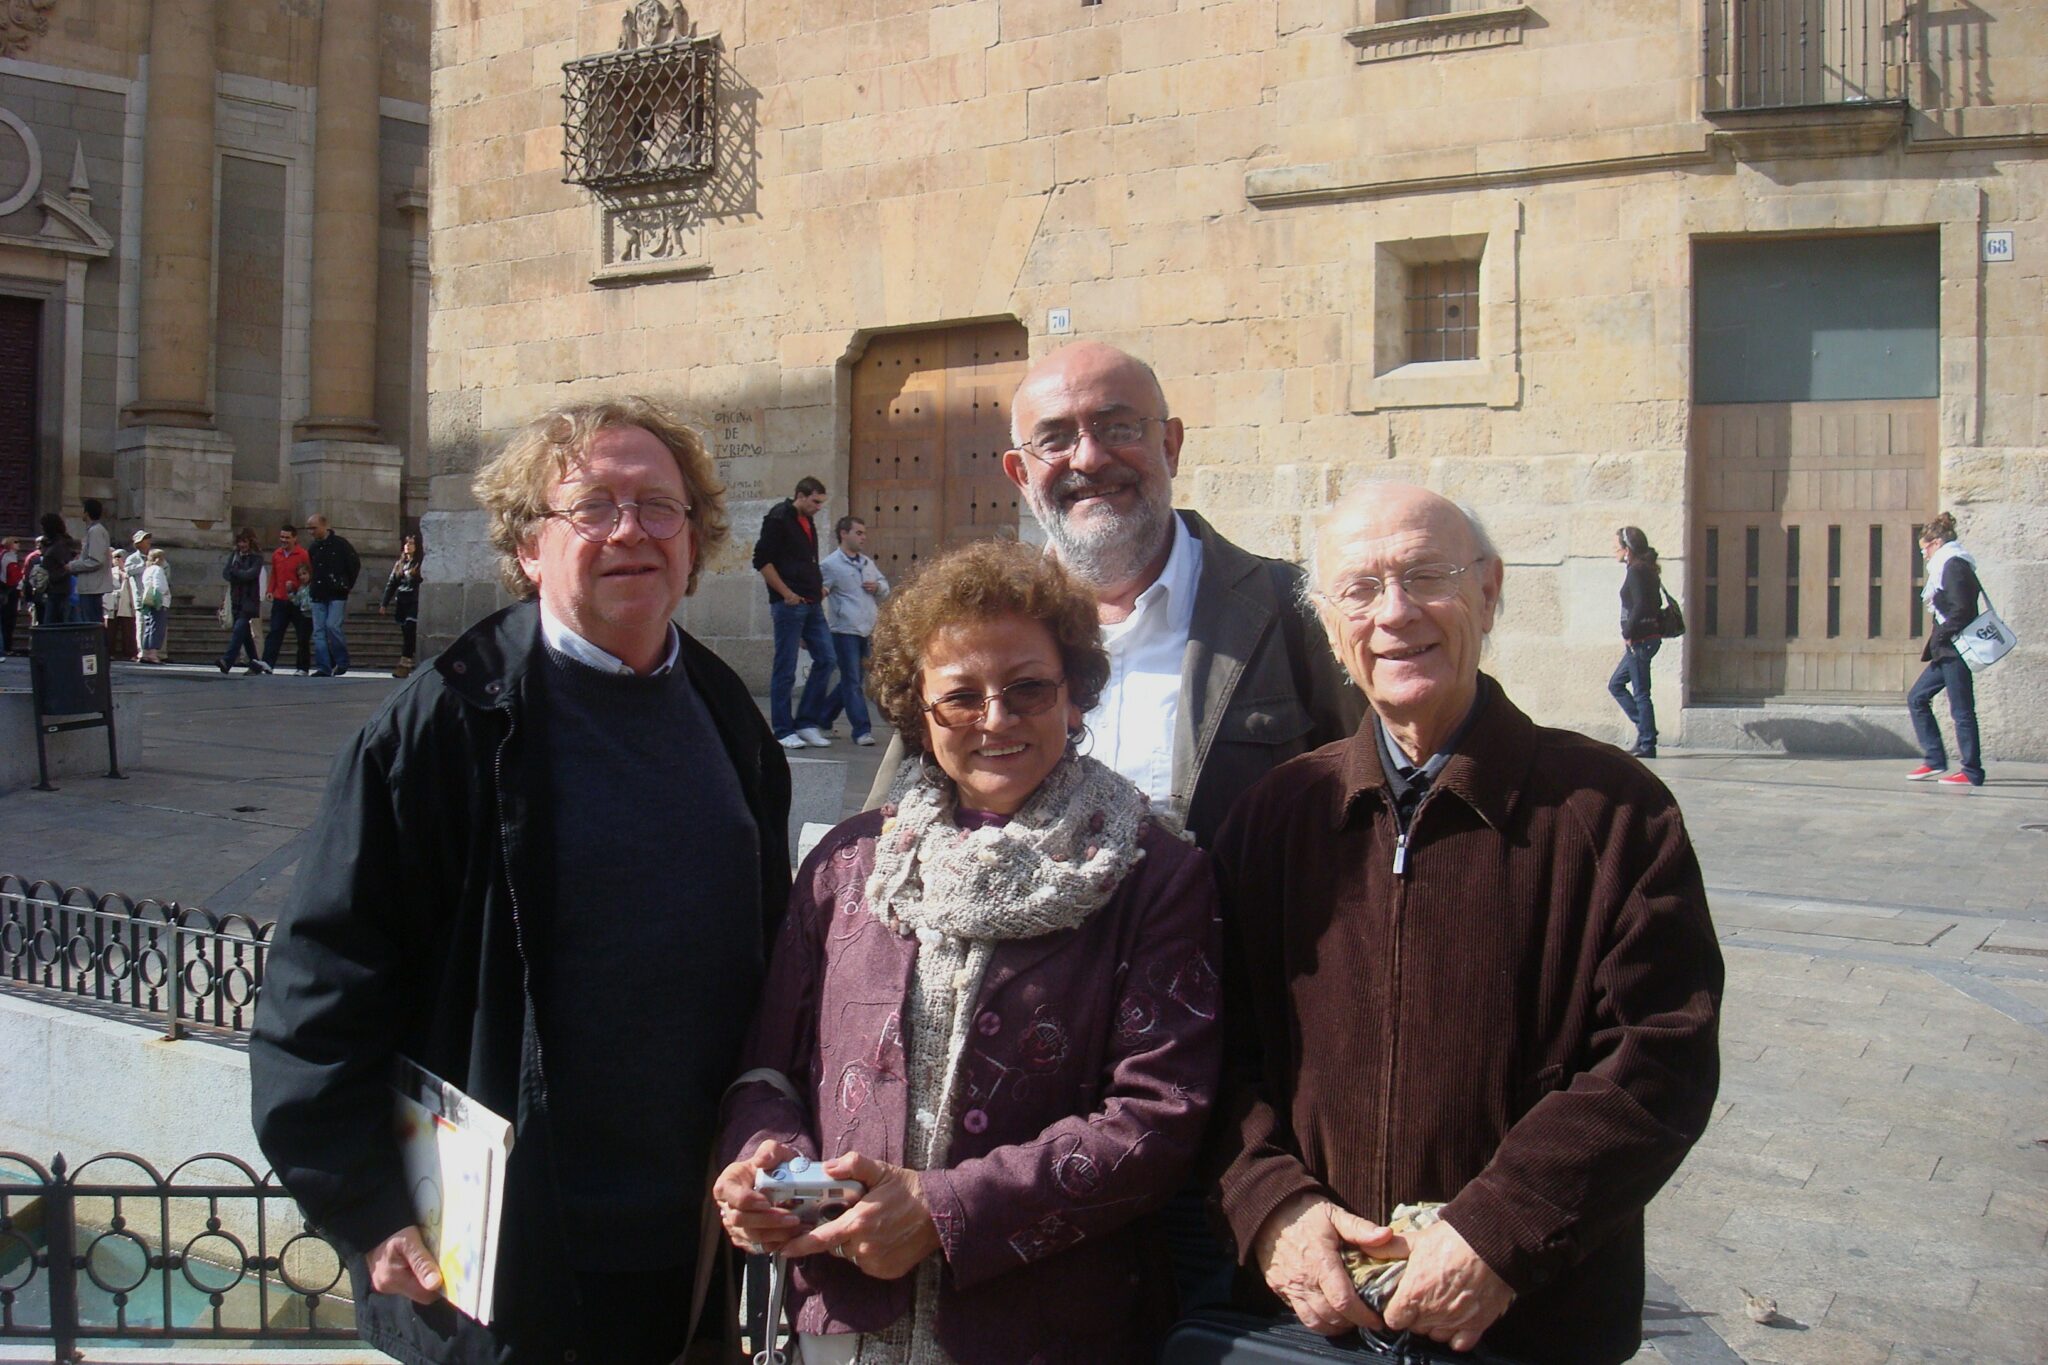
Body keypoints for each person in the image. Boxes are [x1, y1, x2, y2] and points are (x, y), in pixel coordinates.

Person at [251, 397, 792, 1365]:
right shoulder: (445, 724)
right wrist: (368, 1211)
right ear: (528, 548)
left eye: (658, 507)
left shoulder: (726, 718)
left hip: (690, 1252)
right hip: (503, 1266)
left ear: (694, 540)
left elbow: (773, 964)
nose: (631, 529)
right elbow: (320, 987)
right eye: (592, 506)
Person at [1206, 483, 1723, 1365]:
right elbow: (1214, 1044)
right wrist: (1272, 1204)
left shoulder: (1613, 811)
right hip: (1310, 1322)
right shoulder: (1277, 814)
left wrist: (1501, 1229)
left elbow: (1660, 1053)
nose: (1394, 613)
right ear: (1329, 625)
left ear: (1488, 590)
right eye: (1360, 590)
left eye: (1426, 576)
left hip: (1532, 1319)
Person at [714, 539, 1221, 1363]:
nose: (995, 719)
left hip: (1046, 1329)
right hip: (844, 1323)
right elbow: (769, 1067)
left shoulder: (1151, 874)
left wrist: (946, 1211)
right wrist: (767, 1168)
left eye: (1028, 689)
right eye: (960, 697)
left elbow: (1157, 1115)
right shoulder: (847, 864)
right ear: (919, 710)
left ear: (1076, 695)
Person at [754, 475, 836, 749]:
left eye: (821, 502)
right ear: (800, 495)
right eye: (815, 501)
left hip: (811, 602)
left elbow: (804, 560)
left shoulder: (807, 520)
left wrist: (818, 588)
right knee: (785, 667)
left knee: (826, 658)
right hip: (789, 604)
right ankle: (782, 729)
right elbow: (761, 560)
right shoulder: (778, 518)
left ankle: (806, 722)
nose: (818, 507)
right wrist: (785, 593)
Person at [1907, 511, 1988, 787]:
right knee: (1917, 698)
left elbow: (1962, 610)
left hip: (1955, 650)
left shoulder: (1954, 565)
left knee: (1962, 710)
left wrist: (1941, 636)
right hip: (1946, 651)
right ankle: (1934, 759)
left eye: (1925, 549)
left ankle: (1971, 771)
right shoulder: (1947, 564)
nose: (1924, 555)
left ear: (1937, 543)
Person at [816, 514, 888, 746]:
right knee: (852, 681)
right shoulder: (830, 564)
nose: (863, 537)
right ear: (843, 534)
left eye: (864, 533)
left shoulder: (867, 563)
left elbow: (884, 587)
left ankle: (823, 717)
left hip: (867, 628)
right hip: (844, 630)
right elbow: (820, 592)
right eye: (858, 533)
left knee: (853, 679)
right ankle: (861, 730)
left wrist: (877, 587)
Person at [1608, 525, 1664, 758]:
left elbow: (1641, 605)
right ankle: (1646, 730)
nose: (1614, 550)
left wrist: (1628, 632)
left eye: (1617, 546)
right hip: (1645, 639)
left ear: (1628, 549)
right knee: (1616, 684)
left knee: (1641, 692)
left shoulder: (1637, 571)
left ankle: (1648, 742)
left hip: (1639, 640)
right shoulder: (1644, 569)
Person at [304, 513, 360, 676]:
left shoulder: (340, 544)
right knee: (318, 631)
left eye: (313, 528)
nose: (311, 532)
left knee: (332, 626)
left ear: (324, 526)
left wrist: (347, 584)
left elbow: (354, 564)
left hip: (337, 592)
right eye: (309, 529)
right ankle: (323, 666)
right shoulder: (313, 548)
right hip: (318, 592)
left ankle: (341, 661)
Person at [262, 524, 312, 674]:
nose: (283, 540)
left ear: (294, 538)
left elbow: (308, 574)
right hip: (280, 598)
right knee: (275, 631)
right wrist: (270, 590)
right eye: (282, 537)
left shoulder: (303, 554)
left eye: (287, 537)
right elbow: (274, 575)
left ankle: (302, 667)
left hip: (298, 600)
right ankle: (267, 663)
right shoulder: (277, 554)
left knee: (302, 635)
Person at [219, 528, 268, 674]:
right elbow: (226, 573)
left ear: (250, 542)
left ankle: (227, 661)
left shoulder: (257, 557)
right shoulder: (234, 555)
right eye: (240, 541)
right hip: (236, 599)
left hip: (249, 601)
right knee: (245, 634)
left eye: (244, 541)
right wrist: (238, 574)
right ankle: (256, 664)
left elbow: (251, 575)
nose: (242, 545)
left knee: (239, 628)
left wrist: (236, 573)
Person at [380, 532, 424, 677]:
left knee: (410, 628)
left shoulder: (420, 563)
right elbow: (391, 584)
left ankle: (404, 664)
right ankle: (409, 659)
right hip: (402, 601)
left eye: (411, 543)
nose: (408, 546)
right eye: (406, 543)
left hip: (414, 600)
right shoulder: (400, 564)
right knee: (406, 633)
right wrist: (384, 603)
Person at [67, 496, 112, 625]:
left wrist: (72, 566)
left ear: (86, 513)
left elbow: (96, 560)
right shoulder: (94, 531)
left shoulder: (96, 531)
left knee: (91, 624)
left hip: (92, 587)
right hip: (90, 586)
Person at [31, 513, 78, 625]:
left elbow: (65, 568)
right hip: (51, 591)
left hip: (58, 591)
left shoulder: (60, 545)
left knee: (53, 624)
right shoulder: (51, 543)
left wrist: (49, 577)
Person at [136, 550, 171, 663]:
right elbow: (159, 586)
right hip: (158, 601)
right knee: (157, 627)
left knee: (149, 626)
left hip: (148, 600)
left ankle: (145, 653)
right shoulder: (158, 569)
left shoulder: (147, 570)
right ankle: (153, 654)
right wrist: (164, 593)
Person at [287, 561, 316, 672]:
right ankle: (302, 666)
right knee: (302, 641)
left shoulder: (313, 586)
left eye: (304, 574)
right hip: (304, 615)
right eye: (300, 575)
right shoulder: (301, 589)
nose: (302, 577)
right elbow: (297, 602)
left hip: (314, 614)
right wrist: (290, 593)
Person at [0, 535, 21, 652]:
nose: (19, 544)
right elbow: (13, 577)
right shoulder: (9, 558)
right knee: (8, 620)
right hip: (10, 591)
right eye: (16, 542)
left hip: (7, 590)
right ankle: (7, 647)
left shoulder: (6, 556)